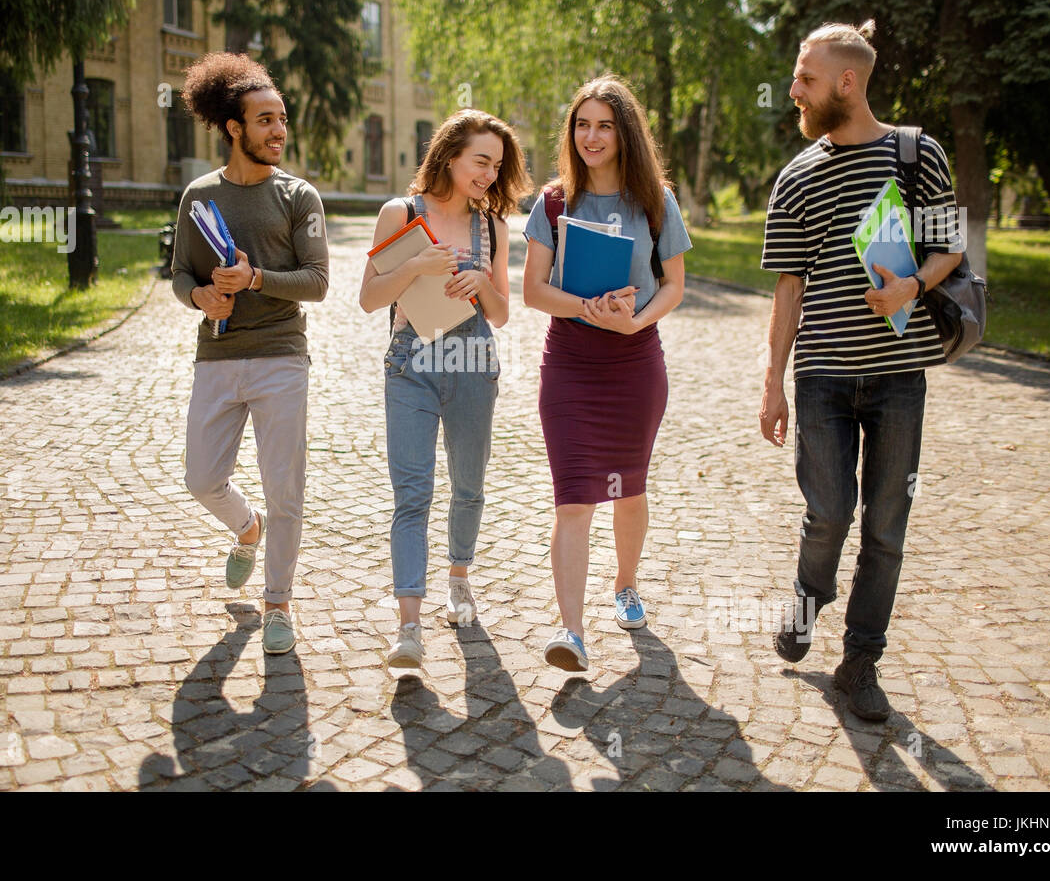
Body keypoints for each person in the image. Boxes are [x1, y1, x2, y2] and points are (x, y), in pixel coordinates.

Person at [759, 20, 965, 720]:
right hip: (822, 378)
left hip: (901, 378)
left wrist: (914, 285)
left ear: (847, 82)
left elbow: (951, 249)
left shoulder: (918, 153)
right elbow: (789, 286)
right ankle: (808, 598)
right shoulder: (797, 176)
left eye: (805, 78)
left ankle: (859, 661)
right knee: (829, 513)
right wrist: (772, 382)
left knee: (885, 525)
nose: (794, 90)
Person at [521, 75, 689, 672]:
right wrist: (587, 309)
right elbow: (533, 290)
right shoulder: (554, 202)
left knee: (628, 488)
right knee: (573, 500)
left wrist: (635, 322)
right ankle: (571, 630)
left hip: (635, 364)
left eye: (605, 125)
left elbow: (674, 285)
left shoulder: (655, 200)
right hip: (569, 364)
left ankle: (625, 584)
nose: (591, 136)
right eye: (582, 125)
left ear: (625, 133)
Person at [358, 109, 532, 669]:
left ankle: (459, 576)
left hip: (473, 362)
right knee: (412, 493)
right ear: (449, 155)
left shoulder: (495, 227)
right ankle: (408, 627)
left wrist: (482, 282)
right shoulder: (400, 213)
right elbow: (368, 298)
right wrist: (418, 266)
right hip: (410, 366)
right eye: (480, 161)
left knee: (468, 485)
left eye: (496, 165)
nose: (487, 173)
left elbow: (502, 314)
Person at [170, 52, 329, 656]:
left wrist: (256, 279)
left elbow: (316, 280)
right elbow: (180, 274)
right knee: (202, 477)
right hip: (216, 355)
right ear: (234, 128)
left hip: (281, 356)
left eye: (282, 118)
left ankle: (278, 604)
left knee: (285, 486)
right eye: (265, 120)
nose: (279, 130)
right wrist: (202, 295)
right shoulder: (199, 196)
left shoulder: (299, 197)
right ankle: (246, 527)